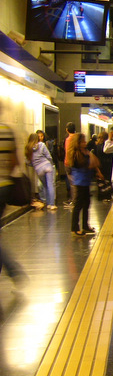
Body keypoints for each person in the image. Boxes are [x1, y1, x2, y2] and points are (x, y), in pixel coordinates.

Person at [0, 121, 27, 288]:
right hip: (4, 187)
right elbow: (15, 161)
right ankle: (12, 270)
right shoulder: (6, 130)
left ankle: (13, 269)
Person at [65, 133, 102, 236]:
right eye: (83, 141)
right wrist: (90, 155)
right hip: (79, 182)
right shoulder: (77, 154)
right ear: (77, 143)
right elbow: (91, 164)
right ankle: (75, 228)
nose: (85, 143)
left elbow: (95, 163)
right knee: (78, 204)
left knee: (86, 204)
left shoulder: (84, 152)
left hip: (85, 181)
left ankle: (85, 226)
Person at [25, 133, 57, 210]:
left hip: (39, 170)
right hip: (47, 166)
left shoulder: (28, 148)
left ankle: (47, 203)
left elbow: (28, 162)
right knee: (50, 185)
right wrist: (51, 164)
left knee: (45, 186)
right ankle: (51, 204)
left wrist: (35, 164)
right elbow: (48, 156)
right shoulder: (42, 145)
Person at [93, 131, 113, 202]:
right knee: (108, 181)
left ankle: (101, 196)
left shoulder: (97, 146)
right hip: (109, 166)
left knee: (101, 182)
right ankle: (108, 196)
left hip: (100, 166)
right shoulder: (109, 146)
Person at [63, 122, 76, 208]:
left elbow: (68, 152)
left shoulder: (68, 139)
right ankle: (76, 200)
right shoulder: (78, 138)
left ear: (67, 130)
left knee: (72, 183)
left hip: (69, 163)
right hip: (77, 163)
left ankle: (73, 201)